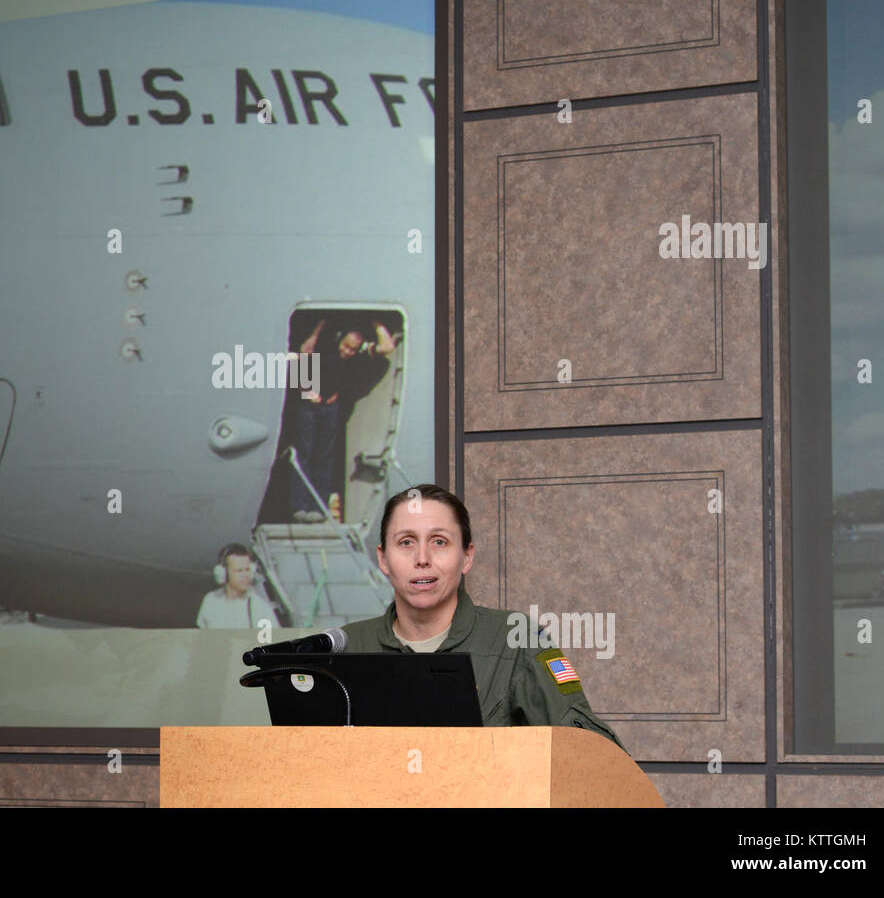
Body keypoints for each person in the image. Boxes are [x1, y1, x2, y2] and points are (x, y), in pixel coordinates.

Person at [341, 484, 625, 750]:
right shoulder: (346, 646)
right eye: (406, 542)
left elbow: (592, 753)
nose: (422, 558)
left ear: (467, 557)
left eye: (439, 542)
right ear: (382, 559)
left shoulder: (515, 639)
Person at [289, 316, 397, 523]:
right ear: (339, 339)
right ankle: (299, 506)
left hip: (331, 407)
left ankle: (319, 507)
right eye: (346, 346)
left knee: (325, 457)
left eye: (352, 349)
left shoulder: (359, 355)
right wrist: (306, 391)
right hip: (308, 404)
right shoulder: (324, 346)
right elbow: (302, 354)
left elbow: (386, 347)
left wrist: (376, 323)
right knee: (305, 453)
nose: (347, 352)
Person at [196, 543, 279, 629]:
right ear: (223, 574)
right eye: (239, 571)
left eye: (247, 569)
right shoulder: (210, 600)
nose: (245, 575)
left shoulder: (261, 608)